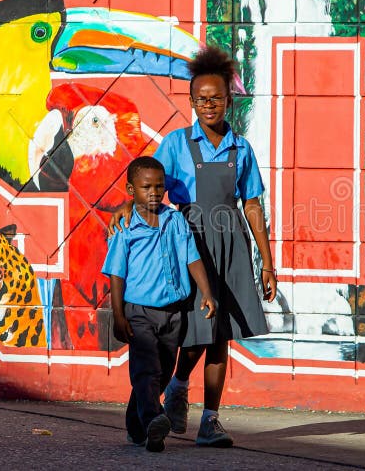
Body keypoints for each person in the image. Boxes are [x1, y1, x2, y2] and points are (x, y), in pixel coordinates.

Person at [108, 45, 277, 448]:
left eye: (216, 98)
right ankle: (176, 389)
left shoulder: (242, 149)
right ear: (191, 101)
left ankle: (211, 421)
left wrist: (266, 264)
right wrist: (124, 205)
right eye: (200, 99)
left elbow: (252, 205)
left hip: (230, 244)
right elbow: (147, 179)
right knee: (192, 333)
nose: (208, 105)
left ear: (228, 100)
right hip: (185, 245)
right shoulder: (176, 143)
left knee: (220, 336)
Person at [102, 156, 216, 452]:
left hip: (173, 313)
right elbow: (116, 274)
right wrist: (118, 315)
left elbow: (192, 257)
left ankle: (137, 426)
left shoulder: (175, 220)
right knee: (146, 369)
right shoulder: (125, 227)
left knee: (163, 371)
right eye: (146, 187)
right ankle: (154, 419)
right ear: (131, 189)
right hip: (139, 312)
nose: (154, 192)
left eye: (159, 187)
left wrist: (206, 291)